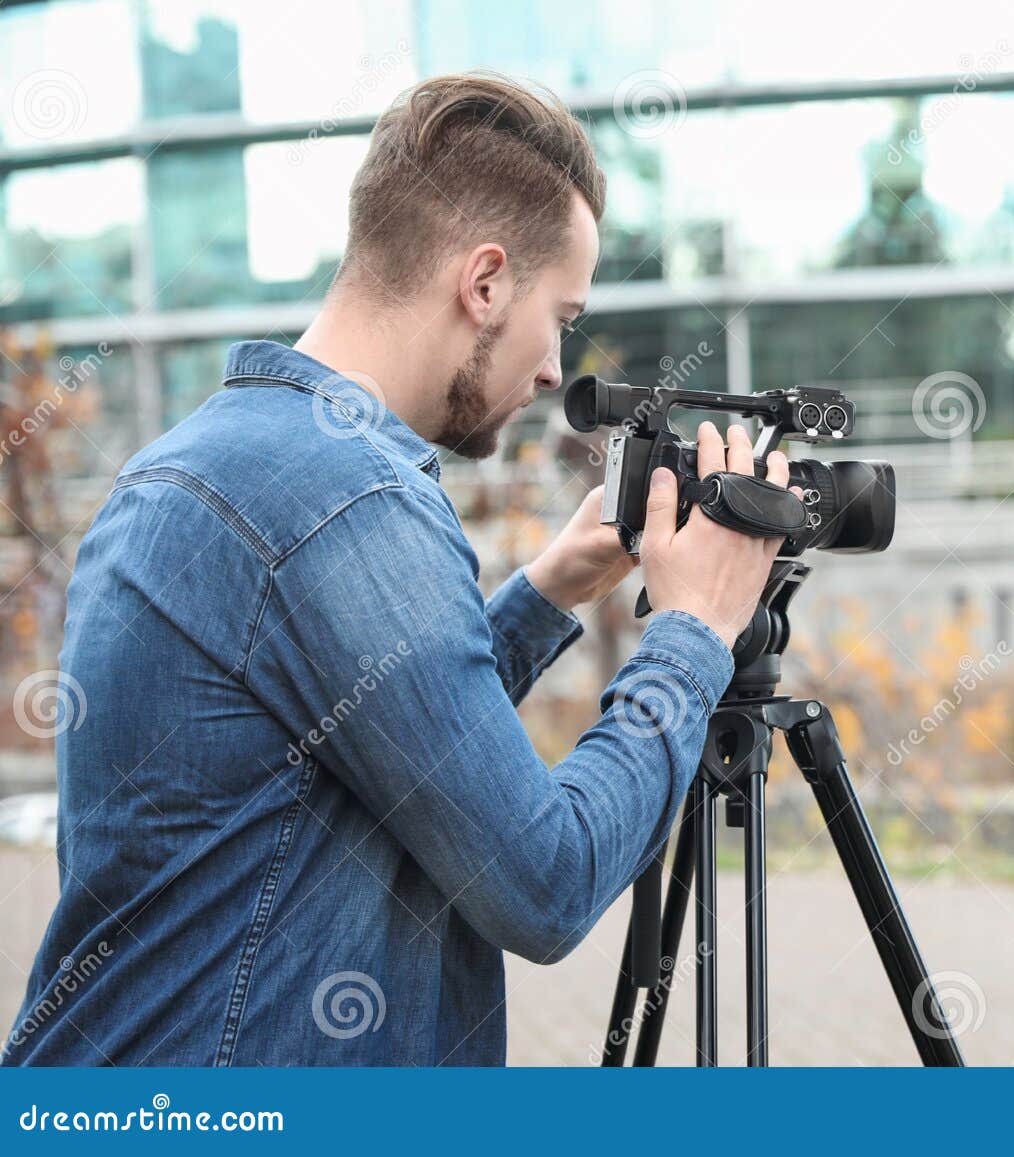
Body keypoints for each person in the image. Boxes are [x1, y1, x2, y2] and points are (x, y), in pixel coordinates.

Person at [4, 73, 791, 1065]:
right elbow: (544, 881)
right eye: (562, 314)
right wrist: (696, 632)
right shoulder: (352, 496)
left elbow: (359, 742)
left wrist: (545, 593)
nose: (555, 367)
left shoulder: (197, 462)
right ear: (486, 281)